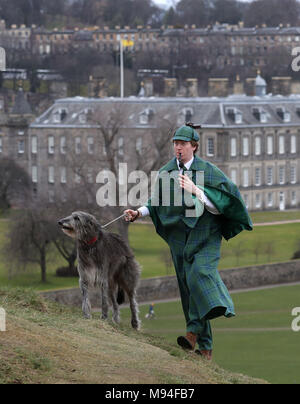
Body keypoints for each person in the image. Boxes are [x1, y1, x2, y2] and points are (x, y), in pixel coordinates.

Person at [125, 124, 253, 361]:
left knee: (198, 275)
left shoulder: (209, 171)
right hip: (180, 239)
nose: (178, 148)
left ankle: (198, 326)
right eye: (175, 143)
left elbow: (222, 204)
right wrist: (138, 213)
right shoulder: (166, 173)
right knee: (188, 290)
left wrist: (197, 191)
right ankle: (205, 349)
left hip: (206, 234)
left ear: (194, 146)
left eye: (183, 144)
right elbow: (156, 203)